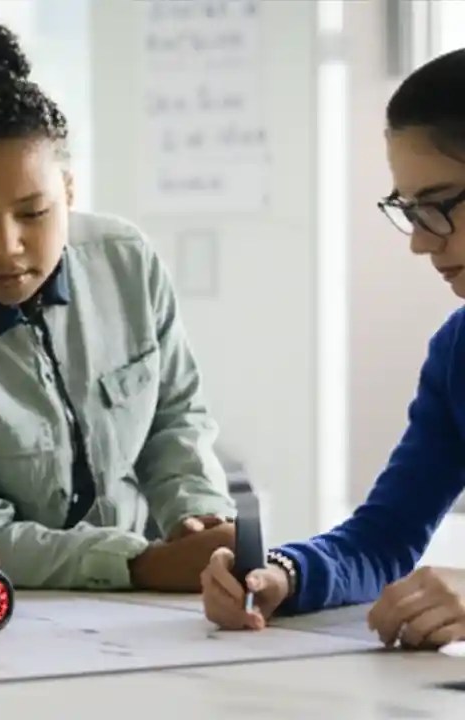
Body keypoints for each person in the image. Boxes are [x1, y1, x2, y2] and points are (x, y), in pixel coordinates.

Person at [0, 21, 236, 593]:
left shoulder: (127, 263)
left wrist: (198, 517)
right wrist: (138, 564)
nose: (6, 246)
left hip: (128, 609)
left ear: (68, 191)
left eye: (33, 213)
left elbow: (174, 418)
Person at [202, 48, 465, 649]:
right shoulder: (457, 354)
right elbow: (383, 538)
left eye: (438, 206)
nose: (420, 243)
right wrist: (282, 575)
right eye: (409, 211)